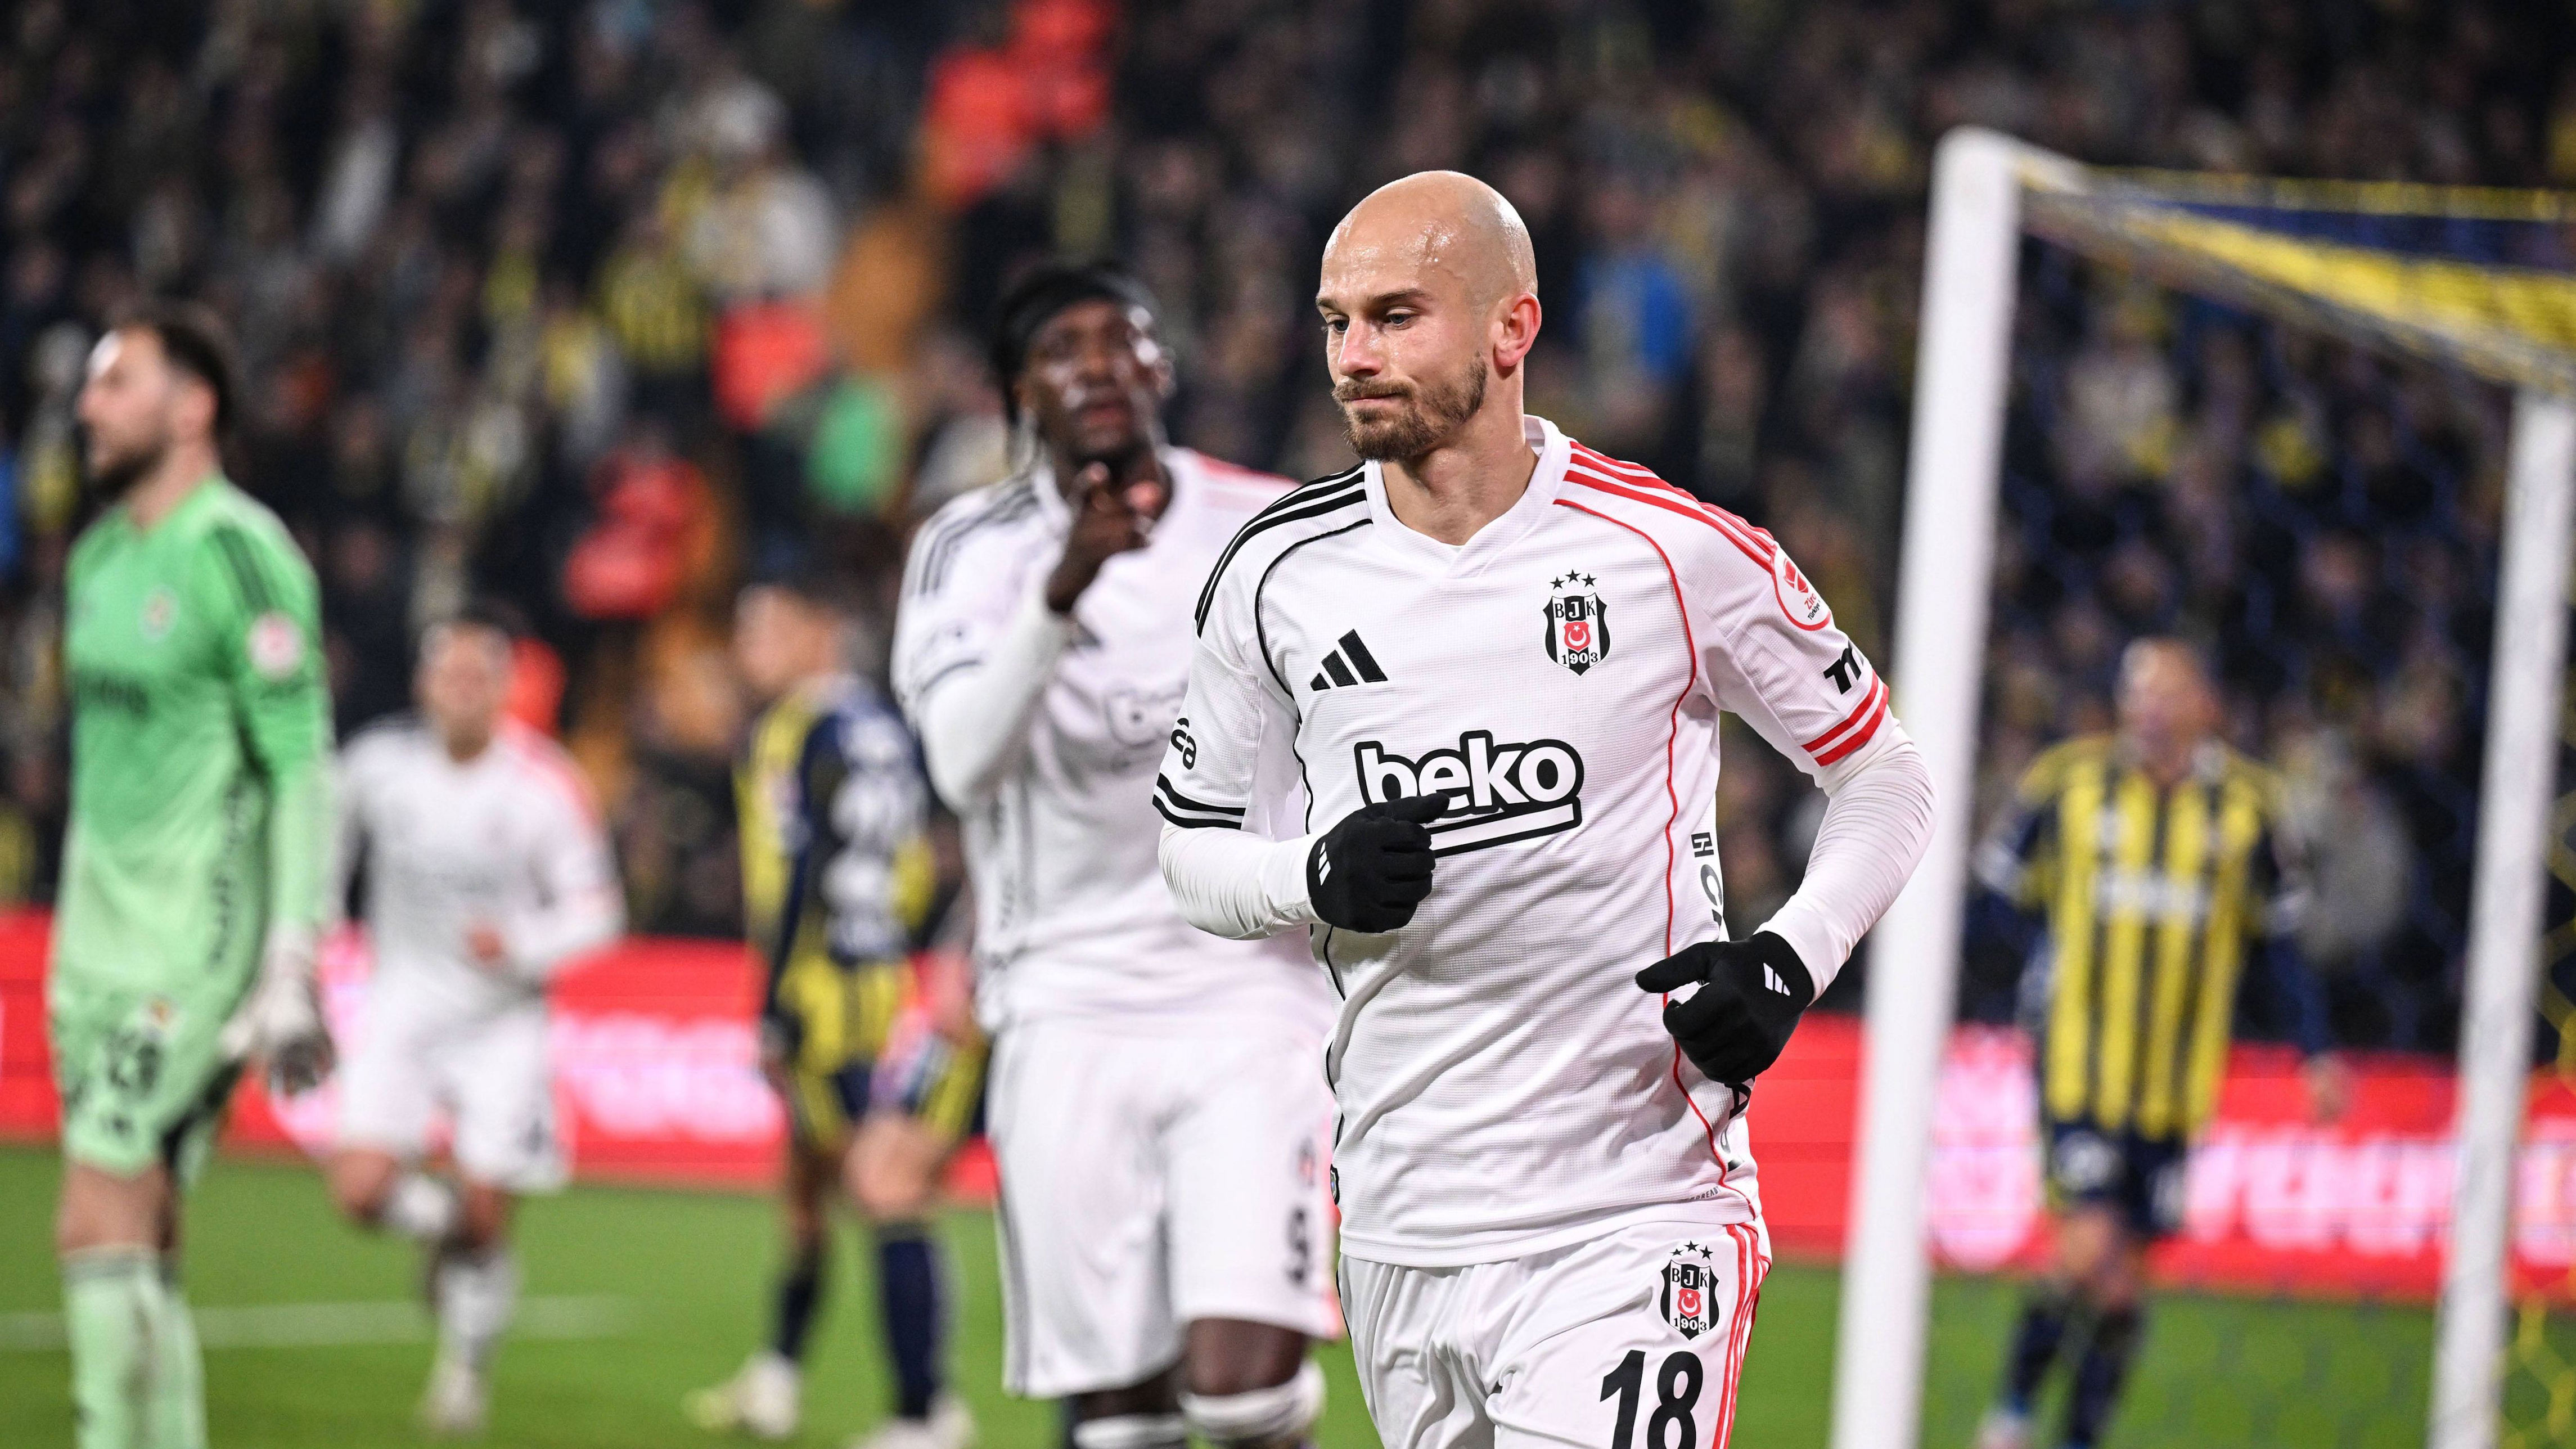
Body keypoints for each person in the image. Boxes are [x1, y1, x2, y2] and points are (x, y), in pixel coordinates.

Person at [1155, 171, 1936, 1449]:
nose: (1354, 356)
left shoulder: (1674, 553)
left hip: (1636, 1208)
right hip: (1402, 1217)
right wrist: (1310, 878)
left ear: (1511, 328)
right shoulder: (1274, 574)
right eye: (1337, 321)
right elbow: (1191, 855)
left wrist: (1789, 960)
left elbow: (1885, 774)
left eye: (1396, 316)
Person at [890, 260, 1342, 1449]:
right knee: (1119, 1413)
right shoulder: (968, 552)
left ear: (1161, 366)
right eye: (1062, 350)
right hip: (1064, 1001)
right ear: (1018, 392)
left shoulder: (1271, 525)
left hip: (1251, 988)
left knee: (1243, 1393)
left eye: (1119, 339)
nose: (1096, 365)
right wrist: (1061, 593)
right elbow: (959, 763)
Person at [51, 302, 336, 1449]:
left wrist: (293, 959)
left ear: (192, 407)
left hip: (193, 950)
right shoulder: (97, 559)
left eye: (116, 382)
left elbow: (301, 764)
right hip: (89, 954)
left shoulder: (240, 553)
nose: (88, 405)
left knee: (95, 1207)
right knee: (145, 1235)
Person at [1971, 639, 2347, 1449]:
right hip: (2079, 1066)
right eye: (2136, 691)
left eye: (2168, 692)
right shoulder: (2067, 783)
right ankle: (2010, 1416)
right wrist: (2023, 982)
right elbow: (1994, 897)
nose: (2148, 708)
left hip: (2176, 1084)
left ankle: (2077, 1437)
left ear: (2207, 705)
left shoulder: (2248, 807)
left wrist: (2315, 1052)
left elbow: (2281, 947)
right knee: (2085, 1248)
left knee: (2123, 1288)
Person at [690, 571, 982, 1449]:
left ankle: (927, 1402)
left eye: (768, 629)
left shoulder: (791, 731)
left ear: (820, 628)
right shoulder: (882, 723)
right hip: (880, 976)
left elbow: (796, 871)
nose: (751, 650)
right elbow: (919, 865)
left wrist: (775, 1004)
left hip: (819, 991)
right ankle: (778, 1375)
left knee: (883, 1184)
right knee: (807, 1186)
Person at [325, 604, 624, 1434]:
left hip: (502, 1022)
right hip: (402, 1004)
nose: (461, 689)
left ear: (502, 688)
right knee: (359, 1192)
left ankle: (462, 1374)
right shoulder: (377, 766)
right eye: (448, 673)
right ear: (424, 682)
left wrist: (523, 943)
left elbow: (601, 911)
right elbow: (323, 853)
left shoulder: (544, 785)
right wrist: (311, 940)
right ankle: (442, 1229)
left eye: (477, 676)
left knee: (491, 1211)